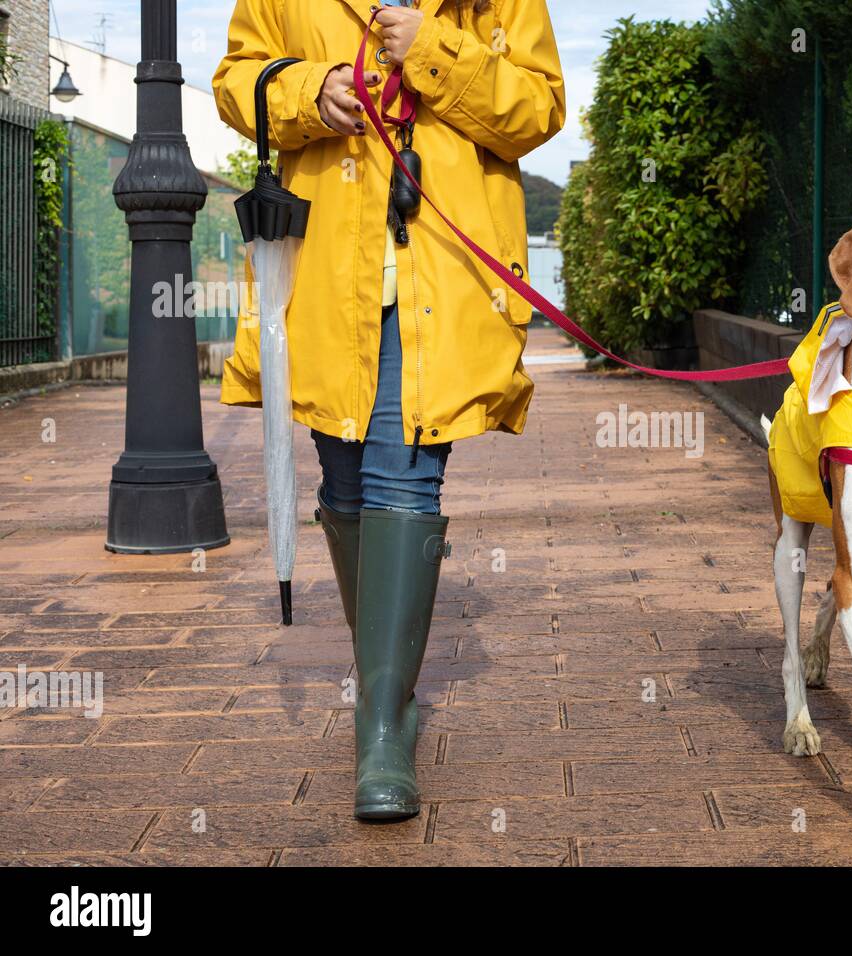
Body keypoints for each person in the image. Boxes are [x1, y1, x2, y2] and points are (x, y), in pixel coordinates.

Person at [213, 0, 564, 821]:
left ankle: (381, 728)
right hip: (324, 276)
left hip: (438, 282)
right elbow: (237, 83)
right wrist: (310, 90)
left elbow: (538, 109)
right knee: (342, 485)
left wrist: (435, 52)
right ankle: (389, 690)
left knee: (403, 477)